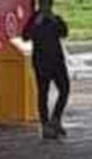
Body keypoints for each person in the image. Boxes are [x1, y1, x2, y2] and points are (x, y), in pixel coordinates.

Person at [23, 0, 70, 139]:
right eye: (43, 5)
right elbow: (25, 36)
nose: (45, 8)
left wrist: (56, 21)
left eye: (48, 5)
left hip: (57, 61)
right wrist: (36, 24)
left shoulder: (55, 19)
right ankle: (45, 125)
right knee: (43, 93)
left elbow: (64, 33)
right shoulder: (34, 19)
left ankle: (55, 119)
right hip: (41, 62)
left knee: (65, 88)